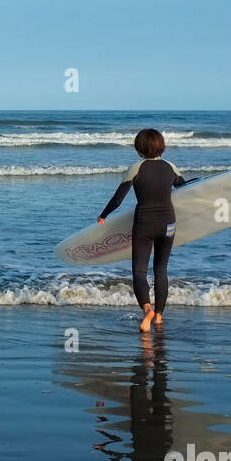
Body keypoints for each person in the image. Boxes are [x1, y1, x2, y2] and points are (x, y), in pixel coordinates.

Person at [97, 128, 188, 332]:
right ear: (161, 147)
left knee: (139, 271)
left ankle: (146, 309)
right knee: (161, 269)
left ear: (139, 149)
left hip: (144, 223)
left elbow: (117, 199)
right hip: (168, 223)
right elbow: (187, 191)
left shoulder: (136, 168)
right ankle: (158, 317)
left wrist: (103, 215)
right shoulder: (171, 167)